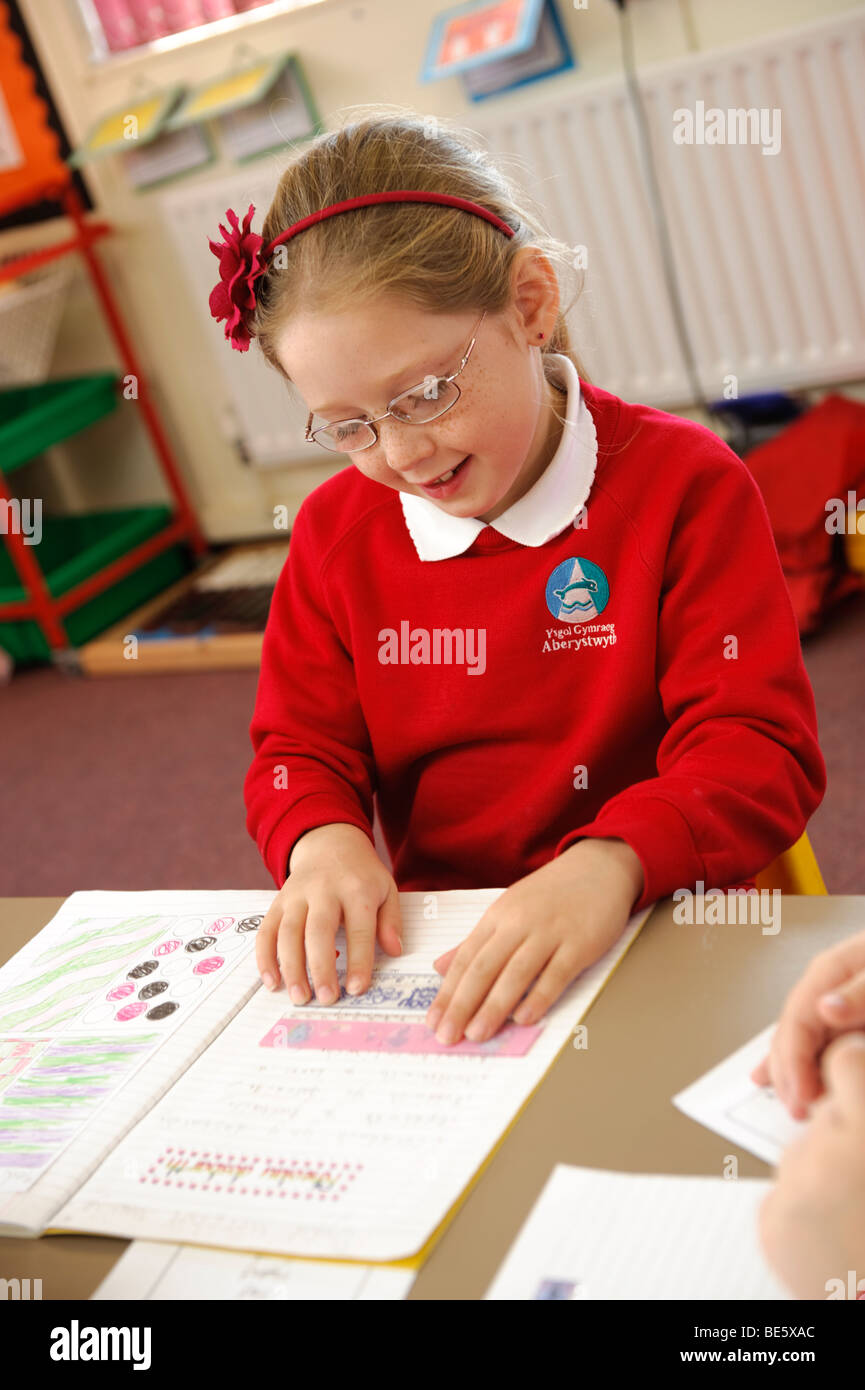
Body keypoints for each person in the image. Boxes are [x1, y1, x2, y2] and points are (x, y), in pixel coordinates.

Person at [209, 110, 826, 1047]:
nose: (401, 451)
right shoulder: (338, 534)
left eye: (424, 393)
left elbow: (754, 747)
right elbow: (300, 747)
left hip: (663, 910)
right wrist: (321, 841)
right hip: (463, 960)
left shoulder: (684, 486)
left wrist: (611, 863)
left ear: (529, 305)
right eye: (346, 426)